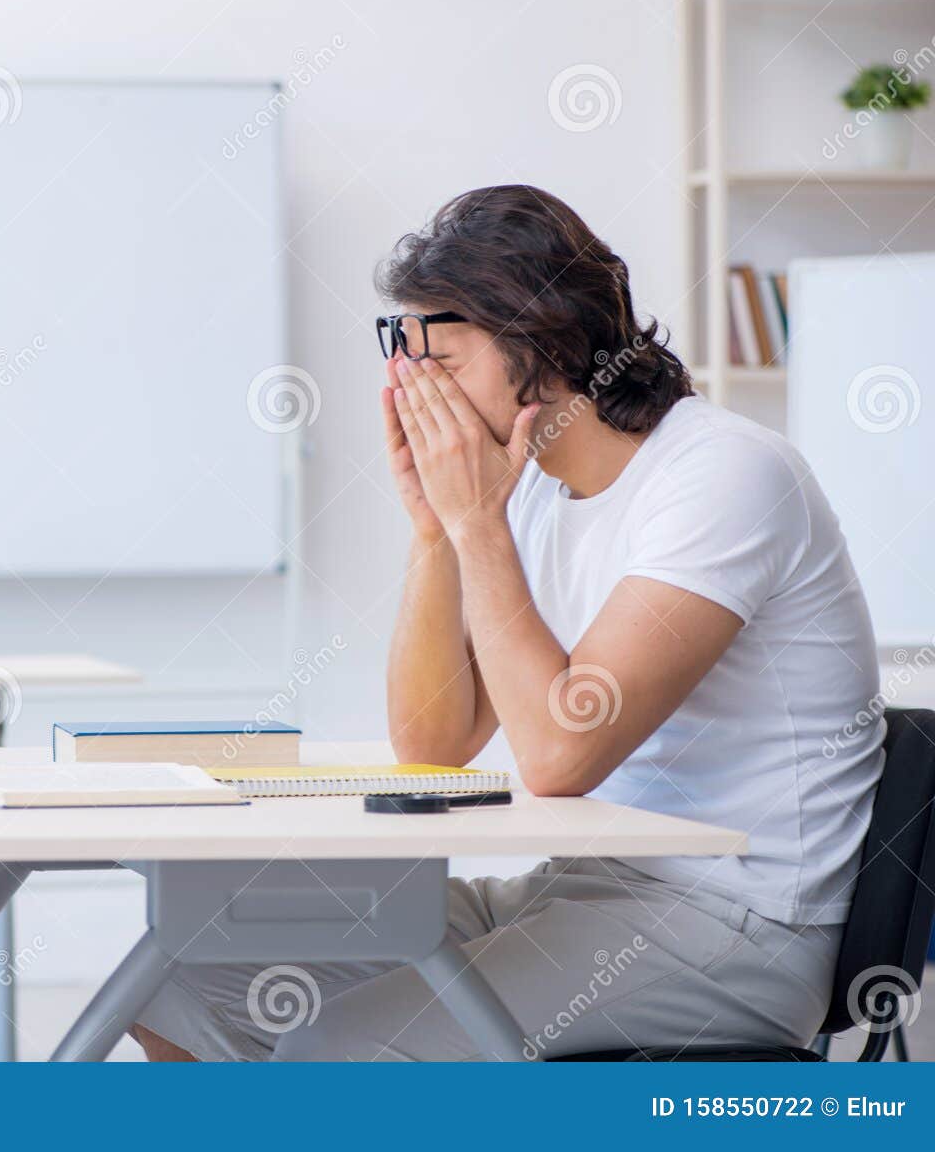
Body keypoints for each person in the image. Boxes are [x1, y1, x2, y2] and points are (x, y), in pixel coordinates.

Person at [131, 184, 884, 1061]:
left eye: (442, 361)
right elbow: (431, 746)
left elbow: (562, 754)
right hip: (575, 890)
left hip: (734, 927)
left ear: (546, 344)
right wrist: (436, 527)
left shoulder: (723, 476)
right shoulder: (526, 489)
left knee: (330, 1045)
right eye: (405, 359)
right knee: (193, 977)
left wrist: (479, 525)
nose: (415, 389)